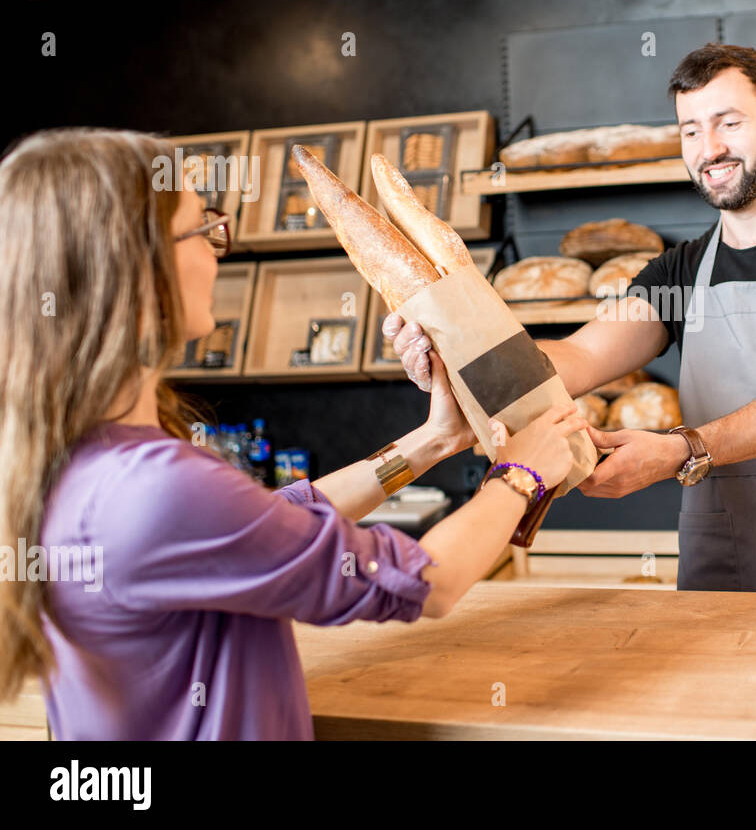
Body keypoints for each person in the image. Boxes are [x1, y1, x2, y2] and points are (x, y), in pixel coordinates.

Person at [0, 128, 586, 739]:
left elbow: (258, 524)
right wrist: (521, 474)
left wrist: (433, 439)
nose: (216, 250)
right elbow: (423, 582)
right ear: (137, 264)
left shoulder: (81, 457)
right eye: (203, 228)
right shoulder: (154, 488)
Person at [389, 43, 756, 594]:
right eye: (690, 131)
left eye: (728, 123)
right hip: (726, 539)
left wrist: (681, 450)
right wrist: (458, 352)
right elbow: (583, 356)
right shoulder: (682, 271)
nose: (709, 149)